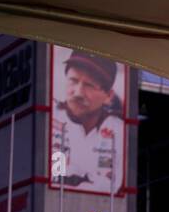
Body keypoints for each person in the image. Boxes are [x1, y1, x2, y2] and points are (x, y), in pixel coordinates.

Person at [51, 50, 124, 193]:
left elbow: (113, 187)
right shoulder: (50, 119)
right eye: (73, 81)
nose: (78, 92)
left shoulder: (119, 129)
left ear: (108, 96)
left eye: (89, 85)